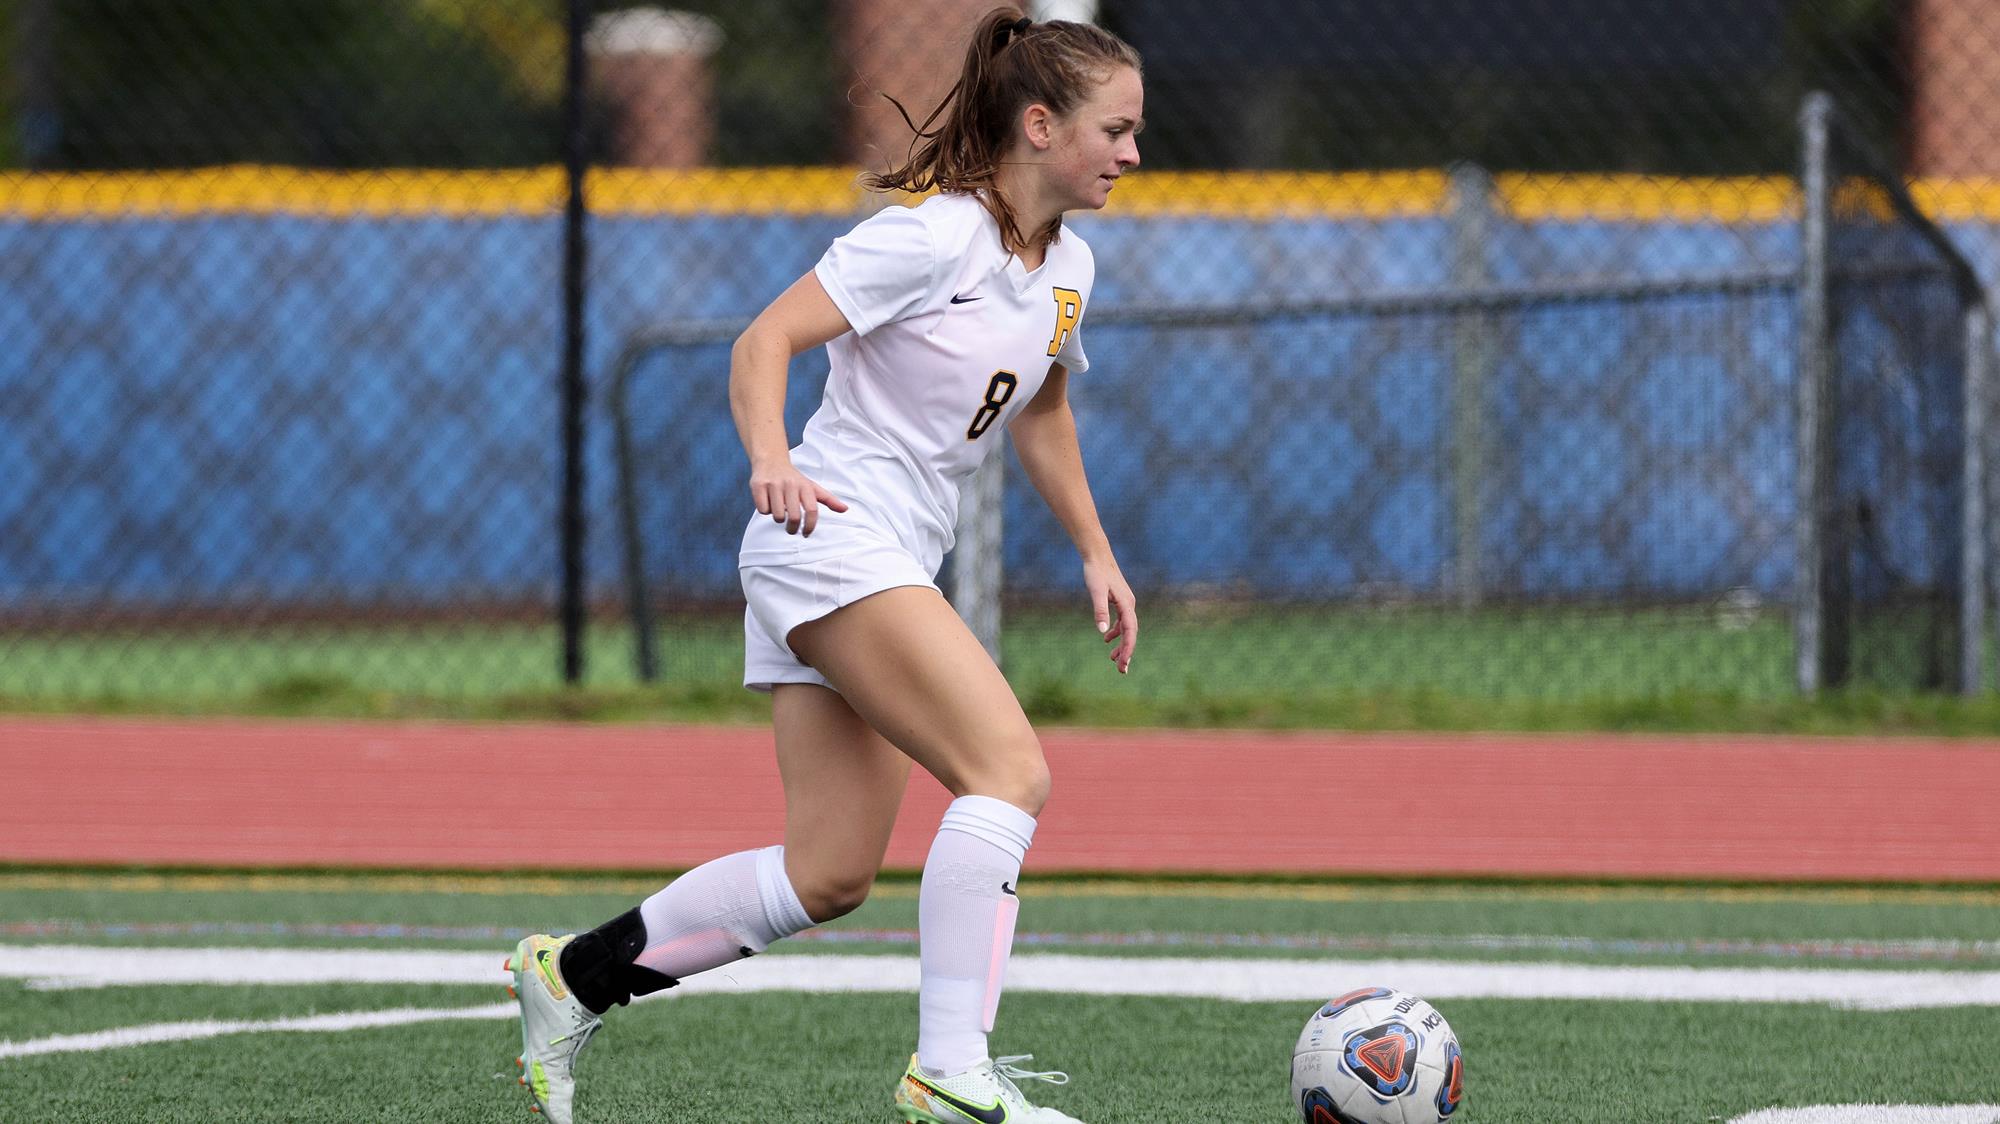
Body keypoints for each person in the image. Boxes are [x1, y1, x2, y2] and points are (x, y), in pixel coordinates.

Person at [507, 10, 1143, 1122]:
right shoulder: (931, 236)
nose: (1133, 154)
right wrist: (770, 460)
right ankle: (949, 1069)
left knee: (829, 872)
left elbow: (1043, 410)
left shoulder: (1068, 266)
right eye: (1116, 129)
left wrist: (1095, 550)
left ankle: (572, 976)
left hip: (883, 552)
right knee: (1008, 771)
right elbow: (762, 341)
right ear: (1039, 126)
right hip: (830, 537)